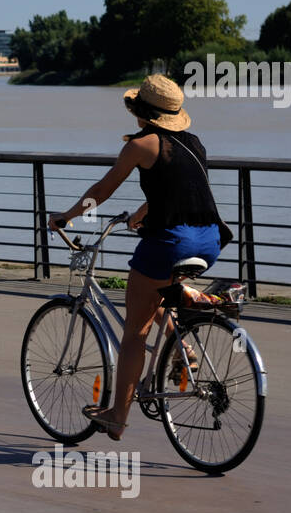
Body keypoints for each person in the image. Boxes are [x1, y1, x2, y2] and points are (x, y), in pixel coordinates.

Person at [48, 74, 223, 441]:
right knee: (154, 295)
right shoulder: (194, 143)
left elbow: (102, 190)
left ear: (141, 111)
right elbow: (177, 191)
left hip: (173, 241)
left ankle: (116, 416)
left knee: (133, 334)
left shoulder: (141, 145)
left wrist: (66, 216)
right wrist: (141, 216)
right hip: (208, 239)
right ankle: (182, 345)